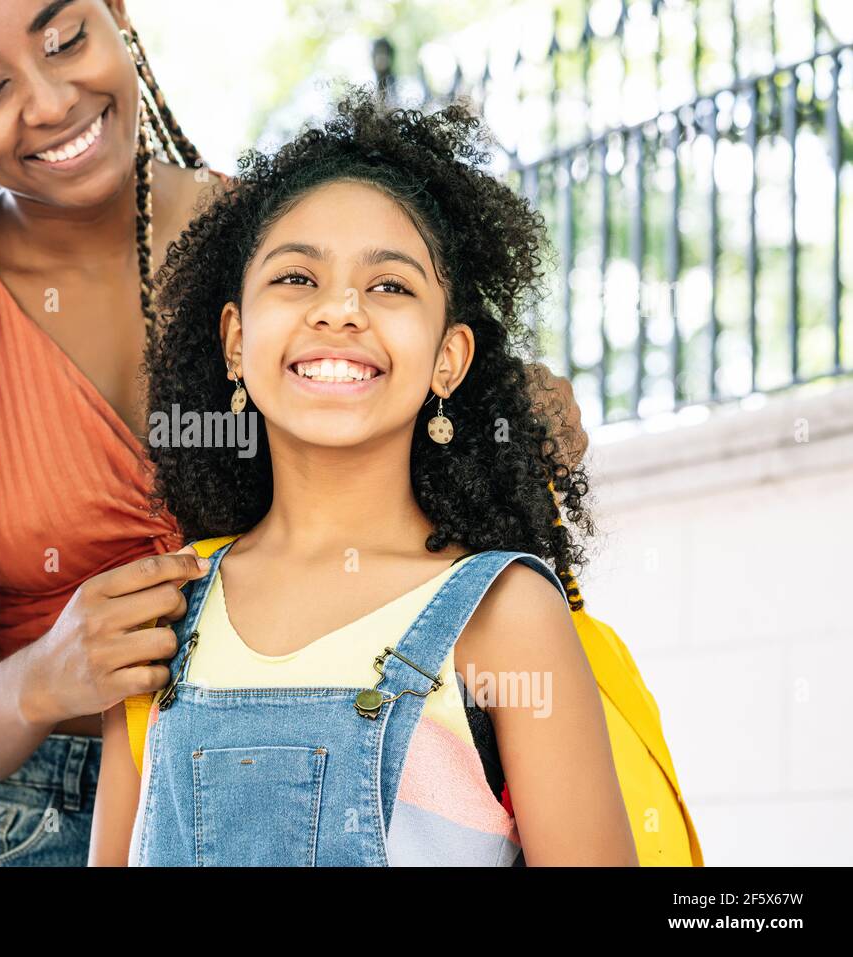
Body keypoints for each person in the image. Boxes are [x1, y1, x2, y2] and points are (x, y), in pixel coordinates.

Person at [0, 0, 589, 866]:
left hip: (305, 767)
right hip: (23, 823)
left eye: (67, 39)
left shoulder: (285, 253)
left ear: (118, 16)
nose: (48, 100)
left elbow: (424, 461)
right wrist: (44, 678)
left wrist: (503, 420)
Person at [89, 91, 634, 866]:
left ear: (449, 359)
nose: (341, 309)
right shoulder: (159, 616)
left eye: (390, 286)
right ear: (236, 341)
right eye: (297, 277)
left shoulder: (508, 617)